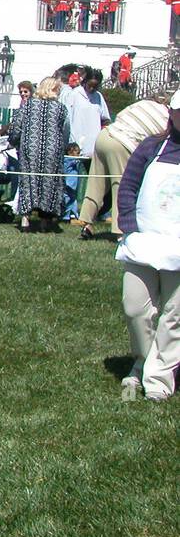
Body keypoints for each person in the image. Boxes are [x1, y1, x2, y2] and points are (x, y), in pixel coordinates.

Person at [115, 89, 180, 401]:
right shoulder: (152, 147)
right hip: (143, 243)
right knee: (135, 306)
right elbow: (128, 185)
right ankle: (143, 360)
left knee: (173, 315)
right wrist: (129, 225)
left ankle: (158, 380)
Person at [77, 94, 169, 240]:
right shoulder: (166, 118)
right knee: (120, 186)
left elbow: (119, 115)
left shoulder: (140, 104)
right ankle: (120, 230)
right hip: (122, 143)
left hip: (104, 136)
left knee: (96, 183)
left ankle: (86, 223)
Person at [11, 76, 70, 232]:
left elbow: (17, 126)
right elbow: (65, 132)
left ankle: (25, 220)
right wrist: (62, 147)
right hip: (53, 150)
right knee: (49, 183)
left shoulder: (28, 105)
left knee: (28, 180)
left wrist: (13, 141)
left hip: (30, 148)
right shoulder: (61, 108)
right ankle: (45, 222)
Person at [66, 67, 111, 223]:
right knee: (71, 181)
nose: (92, 88)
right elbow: (67, 119)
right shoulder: (74, 95)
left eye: (95, 86)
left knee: (98, 182)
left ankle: (100, 212)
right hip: (74, 146)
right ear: (84, 82)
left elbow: (105, 118)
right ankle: (70, 213)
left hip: (94, 147)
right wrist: (71, 142)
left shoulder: (98, 97)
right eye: (90, 85)